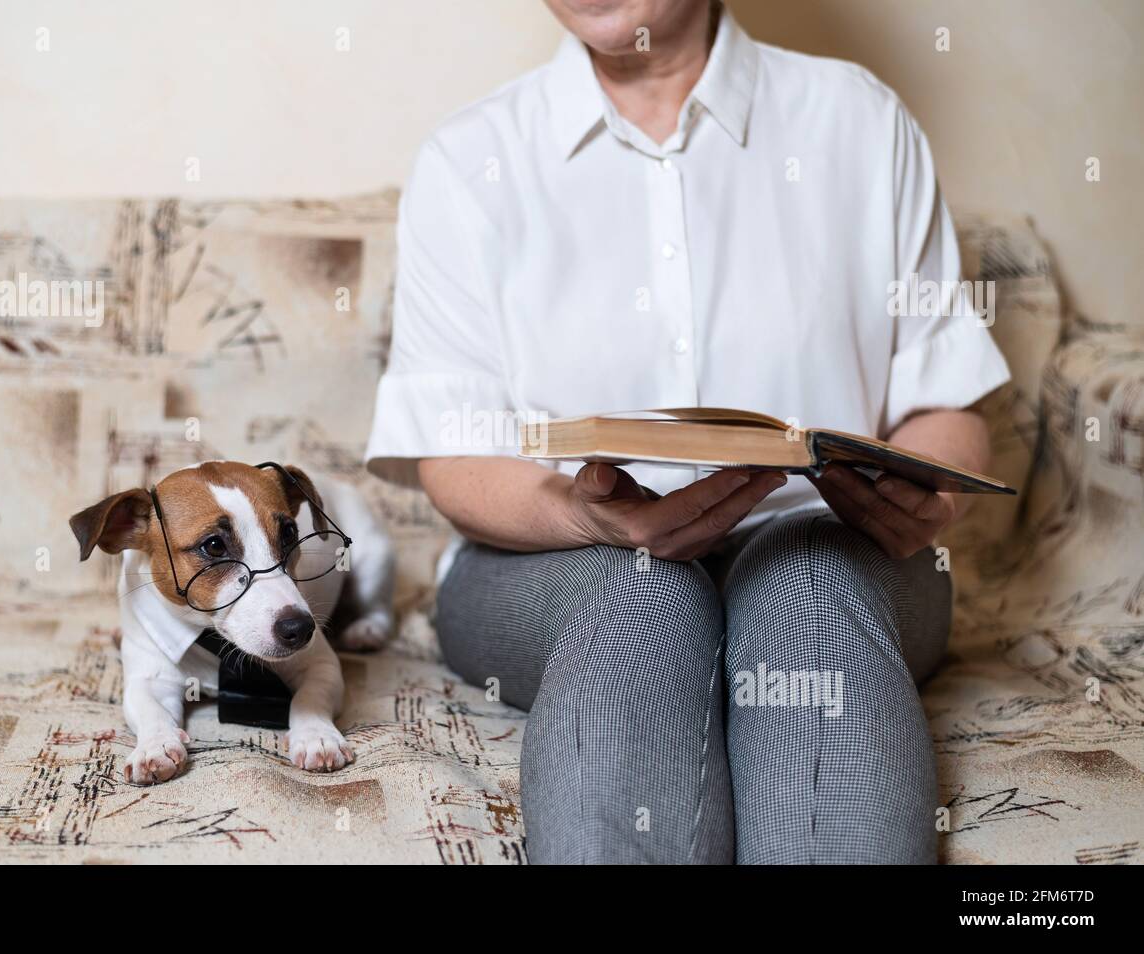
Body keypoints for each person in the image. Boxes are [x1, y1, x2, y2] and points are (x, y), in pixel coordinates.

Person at [365, 0, 1009, 863]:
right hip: (547, 557)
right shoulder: (467, 156)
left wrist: (927, 491)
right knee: (640, 596)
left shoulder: (858, 119)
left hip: (831, 547)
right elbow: (453, 453)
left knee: (807, 587)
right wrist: (589, 519)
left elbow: (946, 401)